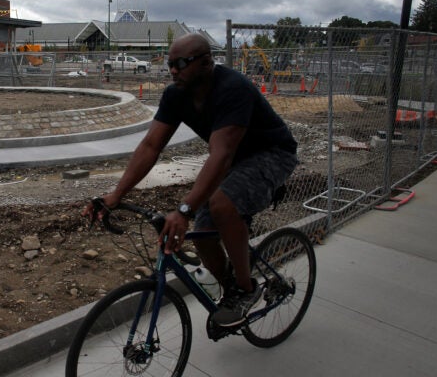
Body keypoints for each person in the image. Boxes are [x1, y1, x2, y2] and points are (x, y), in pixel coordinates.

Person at [85, 33, 298, 327]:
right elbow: (150, 146)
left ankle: (247, 289)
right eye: (170, 63)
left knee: (221, 205)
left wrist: (184, 210)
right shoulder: (177, 95)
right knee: (206, 230)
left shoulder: (233, 89)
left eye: (181, 63)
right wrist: (116, 194)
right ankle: (233, 290)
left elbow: (220, 155)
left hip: (273, 153)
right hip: (235, 159)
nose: (173, 70)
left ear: (207, 62)